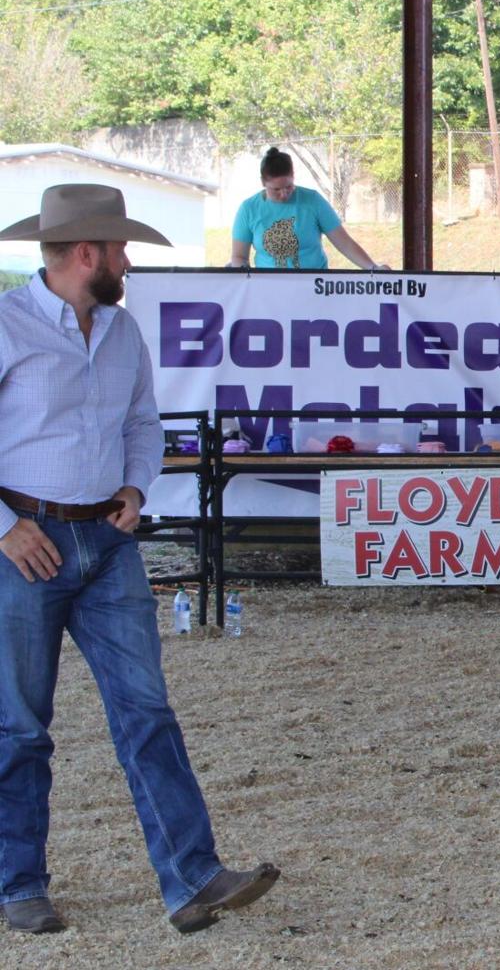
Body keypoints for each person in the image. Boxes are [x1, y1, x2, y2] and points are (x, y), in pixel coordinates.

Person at [0, 184, 279, 934]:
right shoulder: (5, 322)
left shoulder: (121, 330)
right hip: (23, 544)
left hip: (107, 541)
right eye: (120, 247)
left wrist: (134, 485)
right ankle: (16, 882)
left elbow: (143, 423)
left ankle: (192, 878)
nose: (127, 260)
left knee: (146, 710)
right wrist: (3, 528)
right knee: (19, 725)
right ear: (86, 253)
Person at [228, 147, 387, 271]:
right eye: (276, 189)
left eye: (289, 187)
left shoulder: (313, 200)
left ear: (293, 176)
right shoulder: (248, 209)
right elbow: (239, 256)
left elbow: (343, 243)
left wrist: (372, 267)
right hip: (268, 289)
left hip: (314, 285)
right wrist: (241, 277)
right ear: (263, 182)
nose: (284, 194)